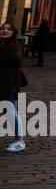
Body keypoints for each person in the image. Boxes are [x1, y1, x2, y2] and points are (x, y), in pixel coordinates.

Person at [1, 22, 24, 153]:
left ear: (13, 33)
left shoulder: (10, 48)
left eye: (8, 29)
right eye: (3, 28)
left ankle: (19, 141)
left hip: (7, 86)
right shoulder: (4, 46)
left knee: (11, 113)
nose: (4, 30)